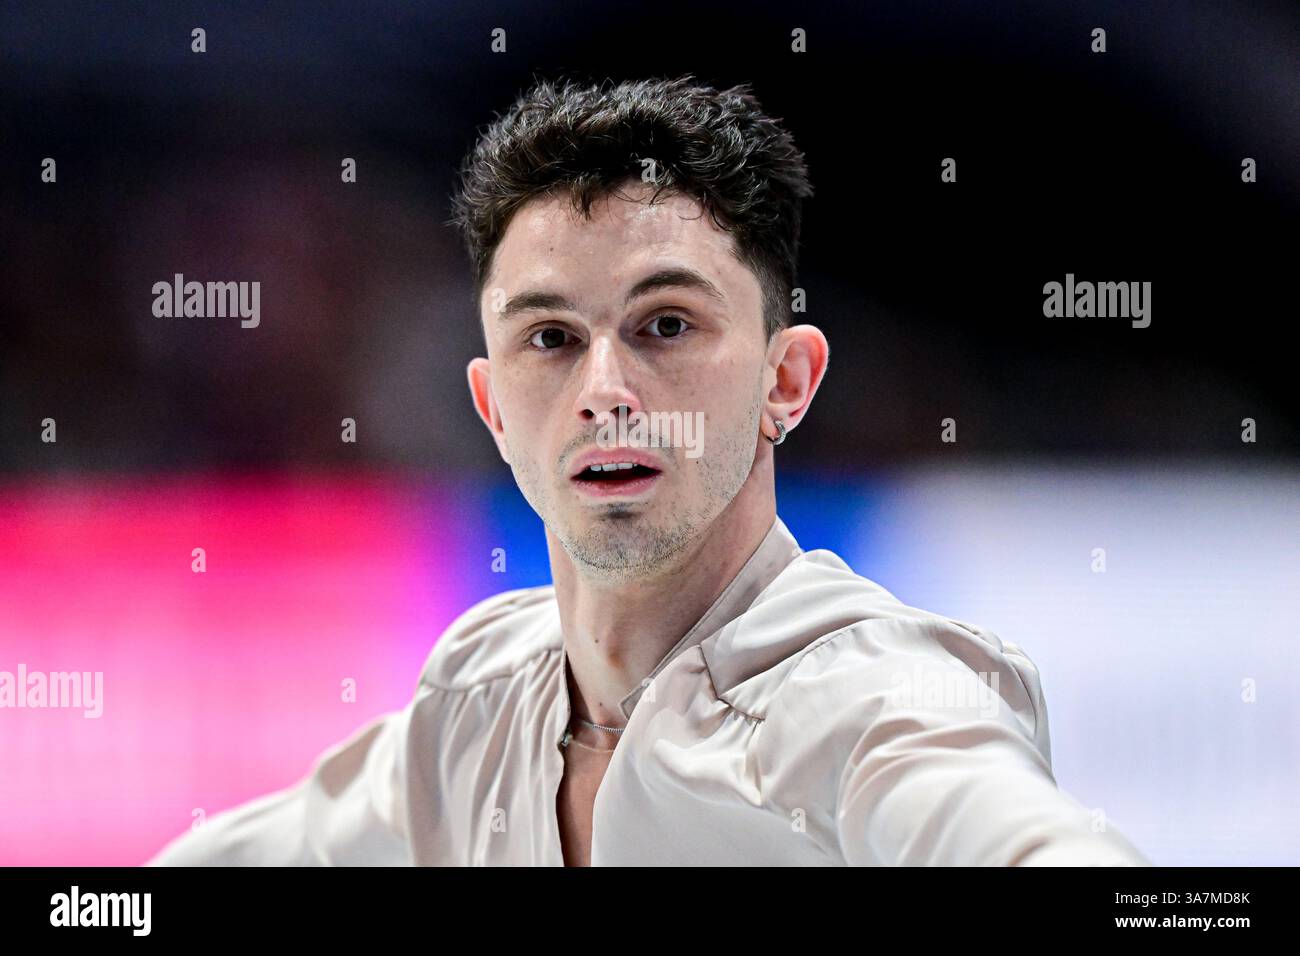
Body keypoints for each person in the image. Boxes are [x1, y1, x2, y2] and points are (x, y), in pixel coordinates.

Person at [148, 74, 1149, 866]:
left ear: (784, 380)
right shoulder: (479, 697)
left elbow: (1016, 837)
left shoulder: (870, 696)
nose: (605, 389)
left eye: (664, 324)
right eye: (548, 335)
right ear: (493, 408)